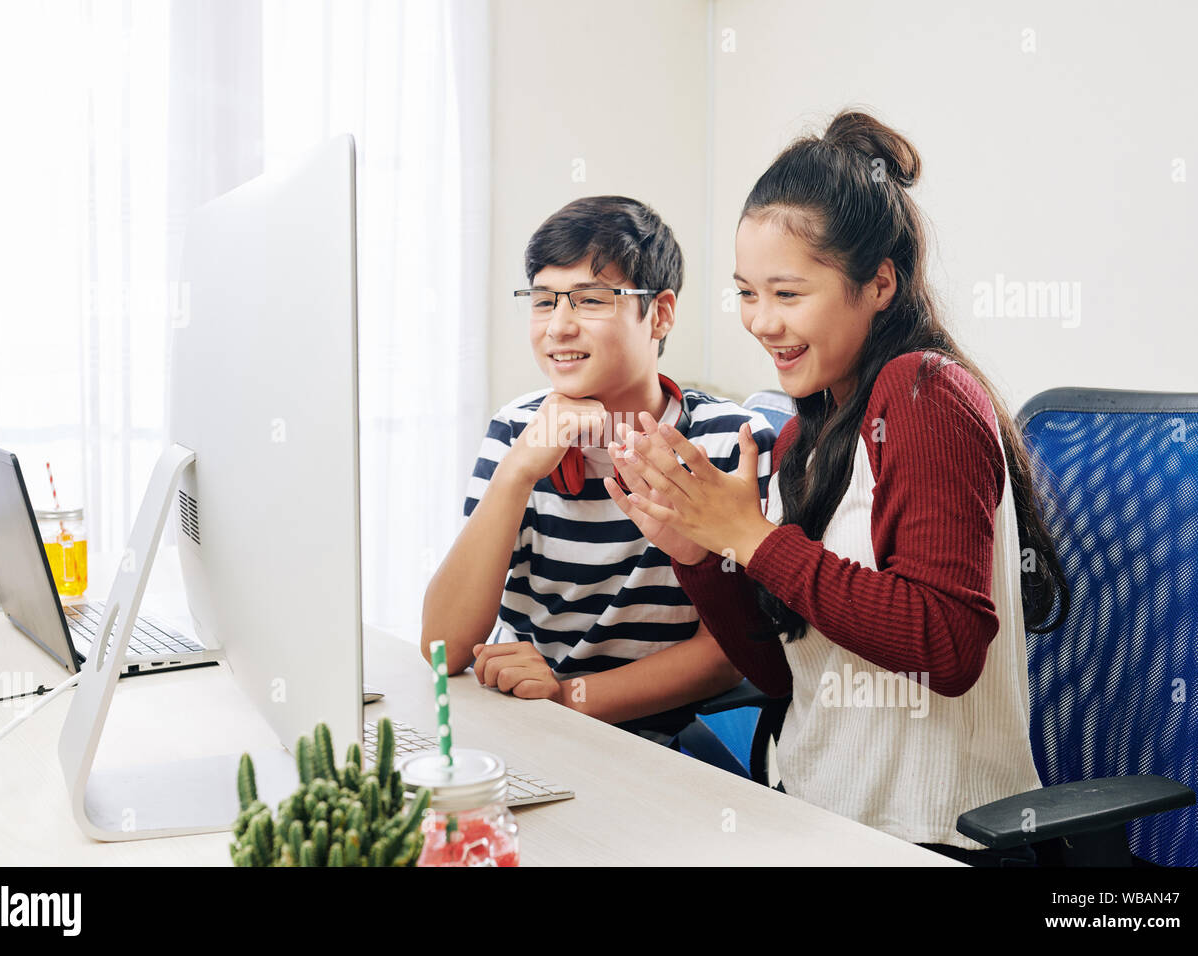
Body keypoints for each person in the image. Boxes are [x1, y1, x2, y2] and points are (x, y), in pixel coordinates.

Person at [605, 111, 1068, 864]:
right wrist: (703, 555)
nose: (761, 321)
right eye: (747, 294)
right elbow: (778, 673)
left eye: (788, 294)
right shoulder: (806, 432)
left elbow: (947, 646)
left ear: (878, 282)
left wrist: (751, 538)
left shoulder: (925, 395)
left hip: (930, 838)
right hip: (813, 822)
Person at [421, 195, 777, 734]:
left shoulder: (731, 441)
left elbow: (727, 654)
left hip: (653, 738)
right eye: (542, 301)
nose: (558, 328)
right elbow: (442, 650)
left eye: (590, 300)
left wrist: (565, 699)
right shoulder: (515, 429)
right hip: (525, 722)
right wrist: (517, 471)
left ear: (659, 314)